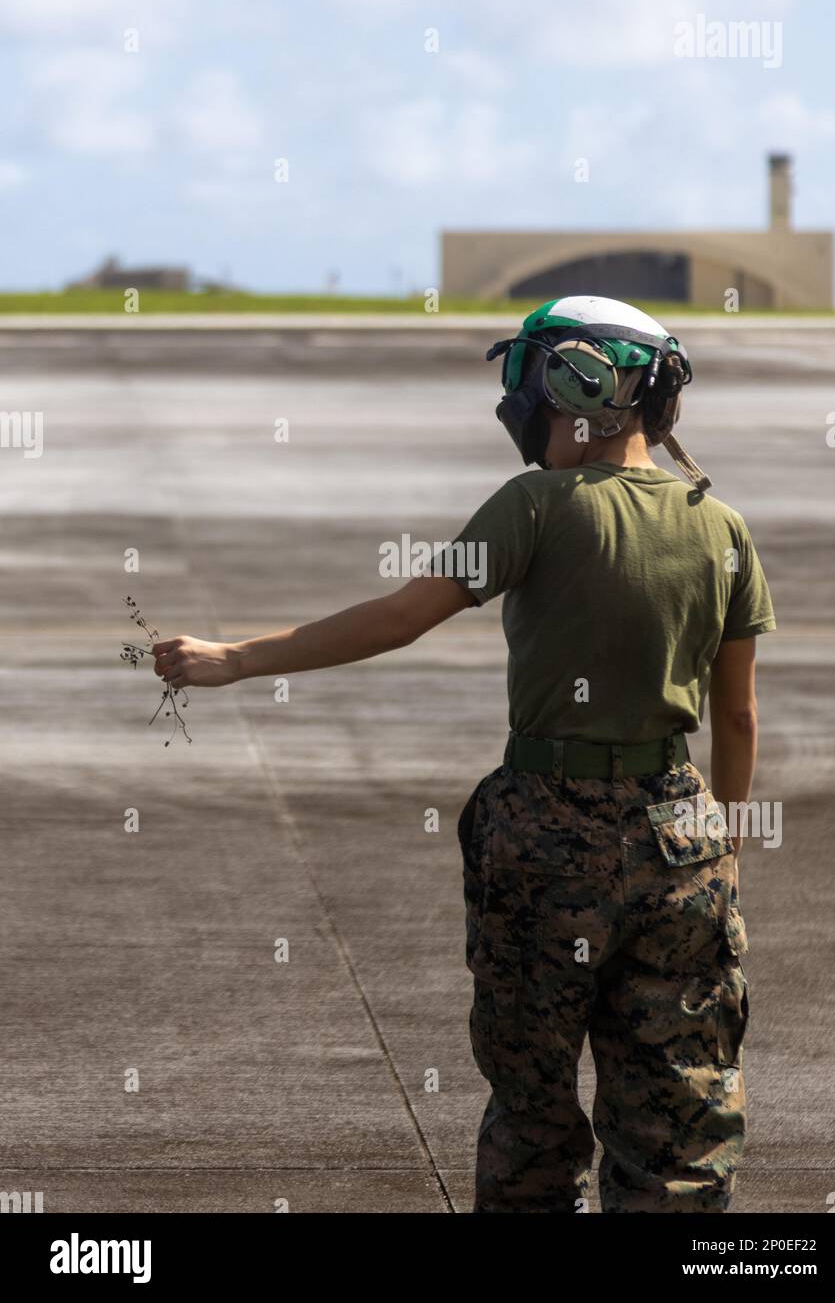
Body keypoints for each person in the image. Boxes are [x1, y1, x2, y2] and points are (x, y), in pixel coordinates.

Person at [153, 295, 775, 1214]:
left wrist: (239, 659)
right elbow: (737, 720)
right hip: (680, 836)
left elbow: (398, 620)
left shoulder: (534, 505)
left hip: (543, 829)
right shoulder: (720, 527)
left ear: (581, 387)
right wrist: (719, 852)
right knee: (678, 1109)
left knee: (532, 1106)